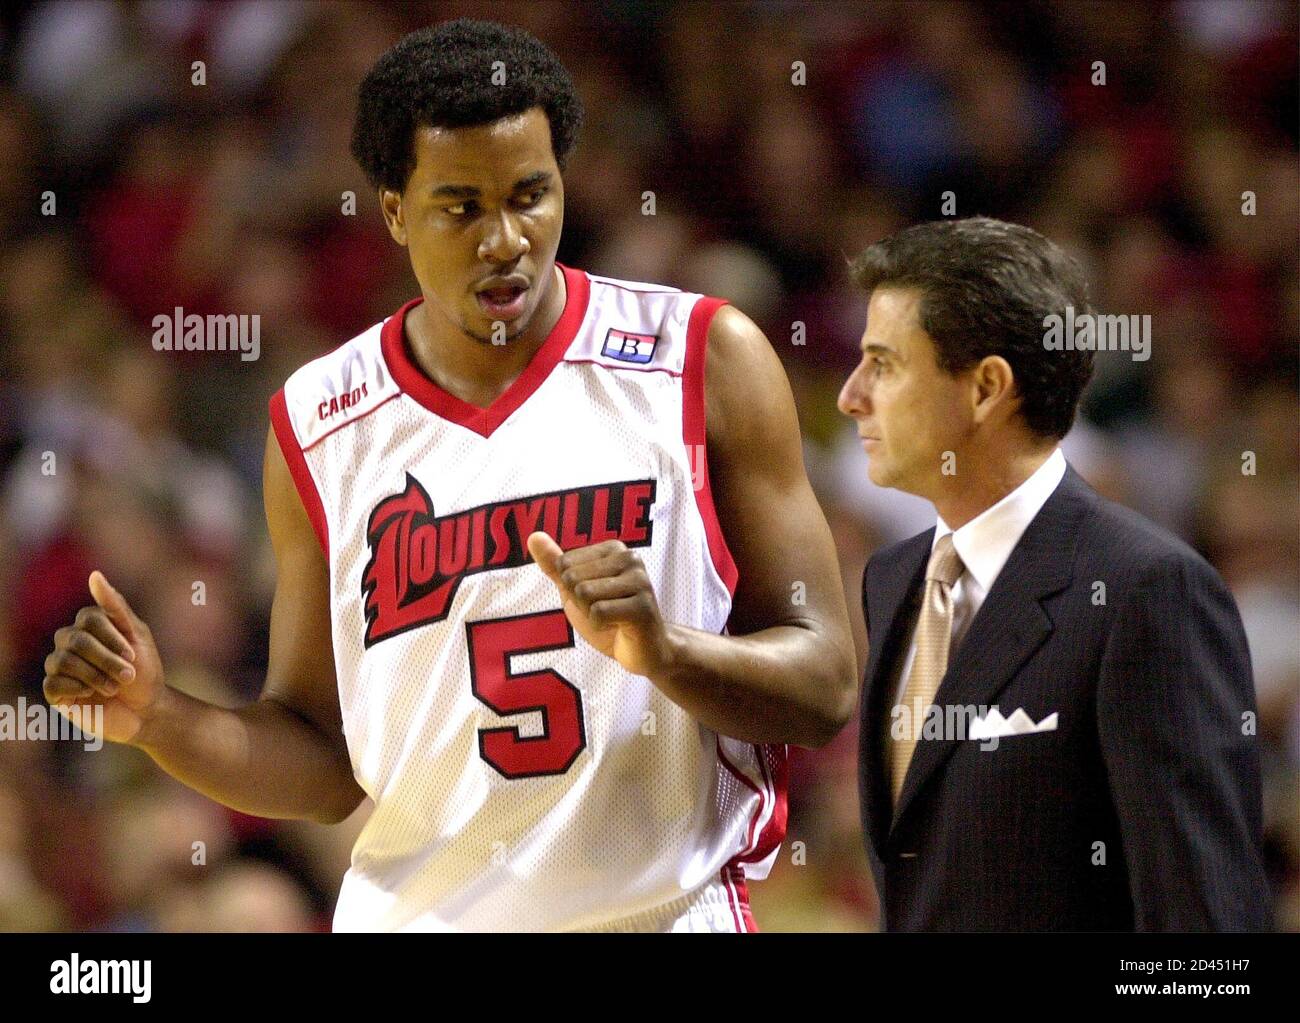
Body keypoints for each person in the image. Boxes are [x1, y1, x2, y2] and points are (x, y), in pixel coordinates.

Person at [42, 19, 856, 932]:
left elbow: (826, 682)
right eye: (461, 206)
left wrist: (667, 652)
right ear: (394, 212)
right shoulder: (317, 421)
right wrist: (159, 715)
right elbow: (318, 762)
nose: (505, 238)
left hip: (664, 909)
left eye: (531, 195)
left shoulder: (702, 358)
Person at [837, 216, 1270, 931]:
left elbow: (1208, 940)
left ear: (986, 389)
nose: (852, 394)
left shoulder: (1148, 591)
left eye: (883, 364)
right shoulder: (891, 580)